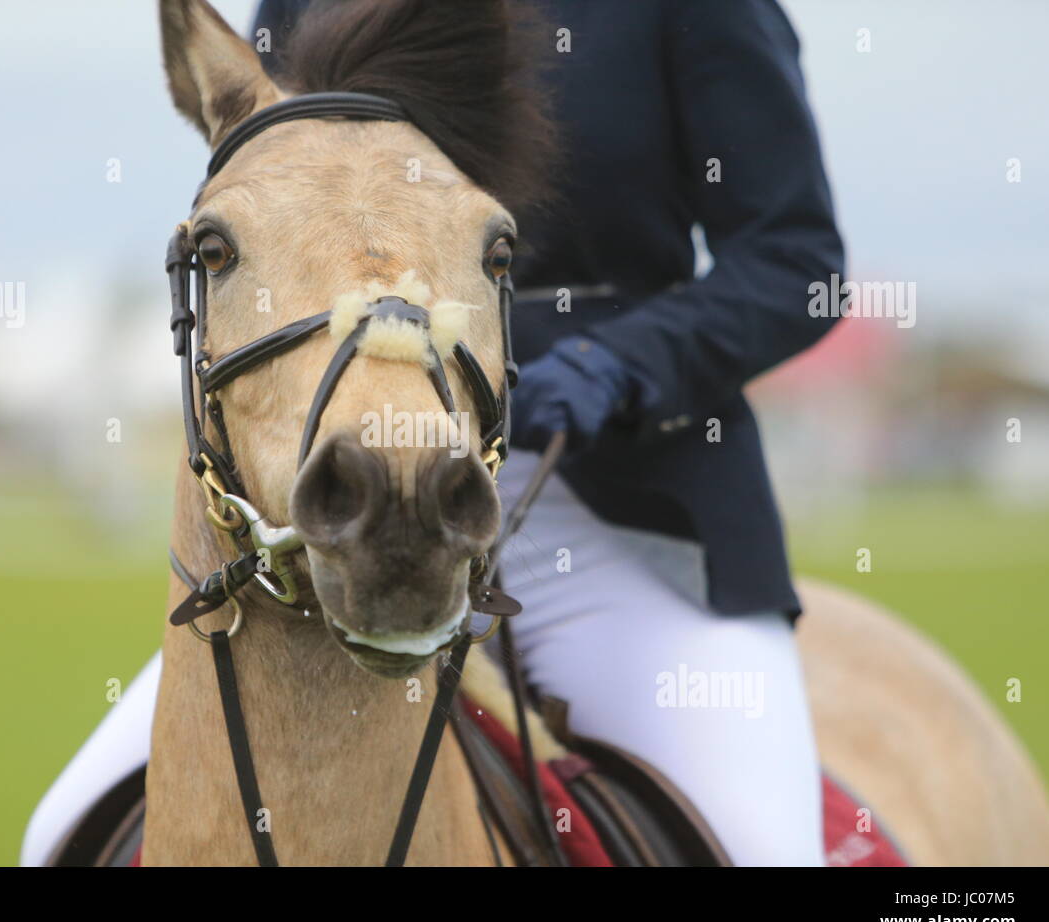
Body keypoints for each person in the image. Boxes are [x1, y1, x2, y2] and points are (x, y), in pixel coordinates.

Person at [253, 0, 844, 865]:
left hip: (618, 508)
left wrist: (623, 363)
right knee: (66, 826)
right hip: (344, 502)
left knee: (764, 849)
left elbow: (797, 264)